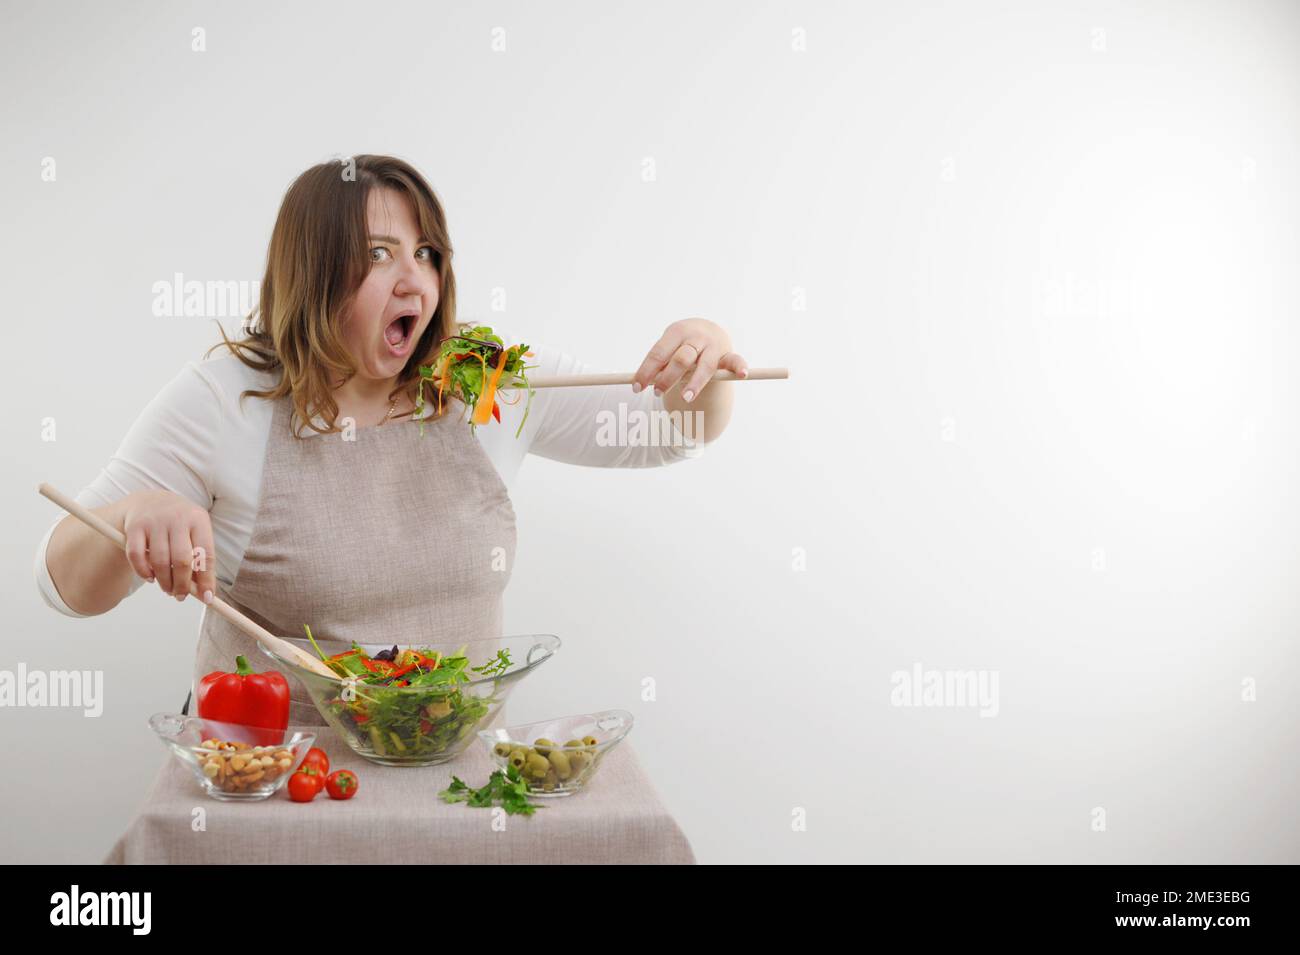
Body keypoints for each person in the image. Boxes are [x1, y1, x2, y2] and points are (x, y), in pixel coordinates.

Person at [34, 154, 748, 725]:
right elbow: (61, 586)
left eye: (428, 253)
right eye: (380, 254)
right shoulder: (226, 397)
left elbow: (672, 431)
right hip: (274, 784)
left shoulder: (485, 380)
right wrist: (131, 517)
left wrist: (706, 354)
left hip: (448, 776)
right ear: (312, 272)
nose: (417, 279)